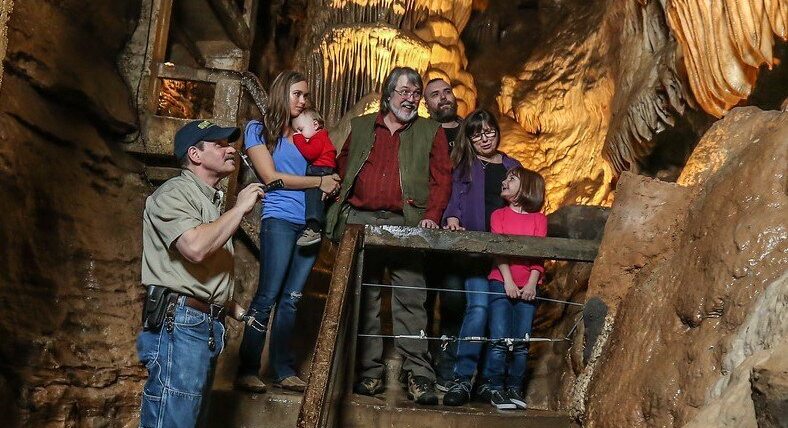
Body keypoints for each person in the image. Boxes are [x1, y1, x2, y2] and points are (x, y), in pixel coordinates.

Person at [325, 66, 452, 405]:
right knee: (364, 299)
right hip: (361, 221)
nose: (410, 99)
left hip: (408, 222)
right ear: (388, 94)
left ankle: (419, 374)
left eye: (415, 93)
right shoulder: (363, 126)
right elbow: (343, 166)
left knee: (412, 299)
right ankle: (368, 373)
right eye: (404, 92)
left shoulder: (431, 131)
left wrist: (431, 216)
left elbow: (442, 178)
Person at [137, 119, 266, 427]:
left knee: (188, 420)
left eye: (229, 143)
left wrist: (233, 308)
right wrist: (239, 209)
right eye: (219, 144)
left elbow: (196, 269)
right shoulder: (173, 194)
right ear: (195, 154)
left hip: (201, 325)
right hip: (179, 326)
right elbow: (194, 248)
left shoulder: (207, 201)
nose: (230, 149)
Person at [235, 71, 341, 394]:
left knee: (293, 299)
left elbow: (327, 165)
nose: (303, 101)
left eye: (306, 96)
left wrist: (330, 181)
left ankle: (283, 370)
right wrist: (319, 182)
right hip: (279, 219)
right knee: (268, 294)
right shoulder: (259, 130)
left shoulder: (307, 131)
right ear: (281, 93)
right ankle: (248, 369)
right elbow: (271, 178)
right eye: (297, 94)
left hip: (310, 223)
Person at [440, 109, 523, 406]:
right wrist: (451, 217)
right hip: (476, 250)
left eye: (489, 132)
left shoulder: (514, 166)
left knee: (500, 317)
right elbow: (455, 199)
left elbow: (526, 202)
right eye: (477, 134)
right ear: (470, 139)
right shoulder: (465, 165)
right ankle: (462, 379)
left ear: (497, 133)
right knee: (478, 309)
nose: (485, 138)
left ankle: (489, 382)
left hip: (505, 254)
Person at [483, 166, 547, 411]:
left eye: (512, 179)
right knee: (499, 338)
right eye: (506, 177)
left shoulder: (539, 220)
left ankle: (514, 388)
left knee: (522, 340)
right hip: (501, 281)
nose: (504, 181)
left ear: (528, 188)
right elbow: (499, 251)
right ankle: (496, 388)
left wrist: (531, 283)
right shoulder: (498, 215)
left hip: (530, 286)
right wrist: (508, 281)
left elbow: (539, 256)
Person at [421, 77, 465, 390]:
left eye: (446, 91)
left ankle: (448, 366)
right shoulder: (421, 133)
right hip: (426, 226)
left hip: (461, 229)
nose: (443, 98)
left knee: (453, 299)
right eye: (435, 95)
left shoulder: (471, 132)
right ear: (427, 104)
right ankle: (421, 367)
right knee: (422, 299)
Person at [291, 108, 337, 246]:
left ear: (315, 125)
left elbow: (310, 153)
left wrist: (297, 138)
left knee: (313, 195)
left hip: (320, 170)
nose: (298, 133)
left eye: (300, 129)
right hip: (322, 169)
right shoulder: (320, 136)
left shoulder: (319, 137)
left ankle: (314, 228)